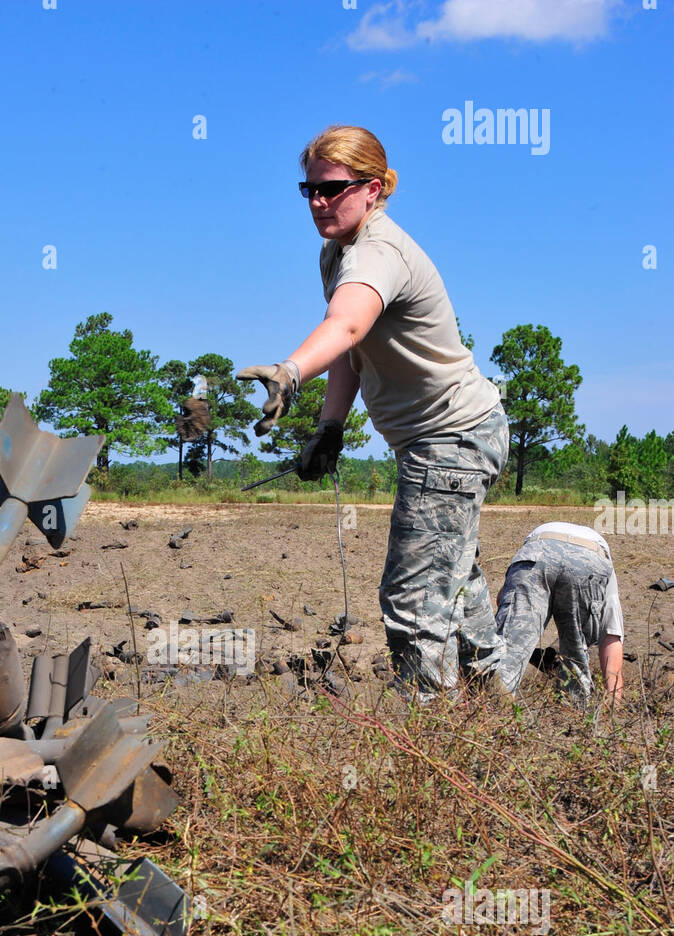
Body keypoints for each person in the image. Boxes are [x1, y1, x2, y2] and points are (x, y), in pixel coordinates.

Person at [237, 124, 509, 702]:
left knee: (413, 599)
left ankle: (430, 748)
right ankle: (497, 713)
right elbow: (352, 351)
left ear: (376, 188)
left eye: (332, 188)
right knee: (455, 585)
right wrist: (330, 427)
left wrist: (289, 371)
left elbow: (347, 325)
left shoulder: (378, 252)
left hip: (452, 435)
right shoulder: (335, 254)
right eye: (308, 189)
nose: (317, 202)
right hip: (446, 436)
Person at [495, 522, 624, 706]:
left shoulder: (543, 532)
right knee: (576, 651)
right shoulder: (607, 571)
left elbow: (502, 600)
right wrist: (614, 702)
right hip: (588, 559)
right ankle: (573, 713)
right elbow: (612, 634)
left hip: (537, 549)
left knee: (508, 650)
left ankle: (492, 709)